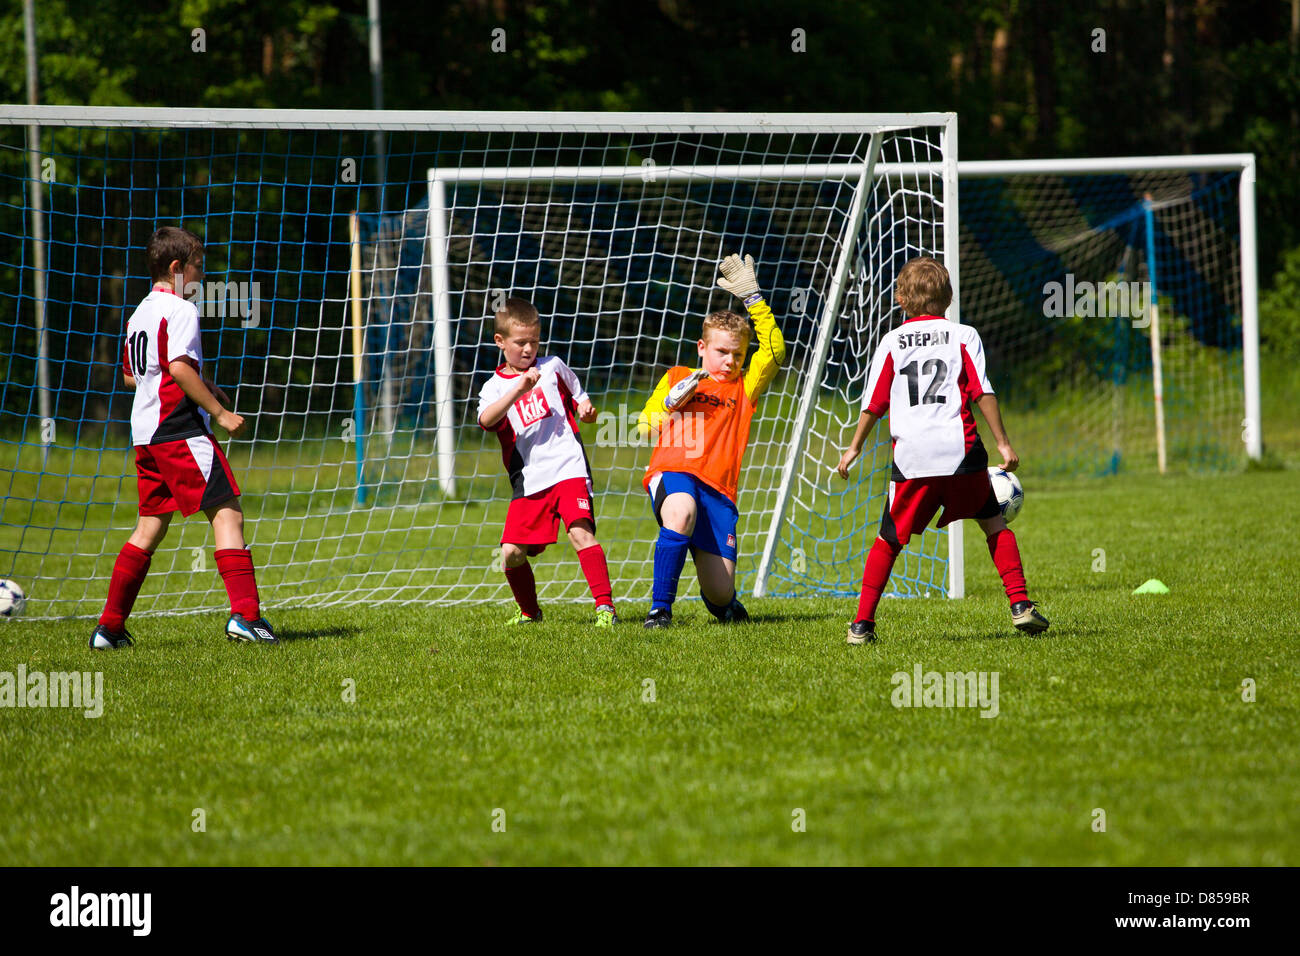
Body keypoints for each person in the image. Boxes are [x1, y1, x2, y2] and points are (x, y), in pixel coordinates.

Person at [837, 256, 1049, 644]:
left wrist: (853, 448)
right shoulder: (963, 335)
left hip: (912, 458)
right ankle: (1020, 605)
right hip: (961, 452)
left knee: (889, 539)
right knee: (992, 521)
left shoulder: (891, 342)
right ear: (948, 299)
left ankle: (862, 625)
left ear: (902, 300)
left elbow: (874, 402)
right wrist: (1002, 441)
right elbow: (981, 390)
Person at [92, 226, 276, 649]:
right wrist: (220, 412)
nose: (201, 277)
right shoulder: (181, 310)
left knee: (149, 528)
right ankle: (246, 618)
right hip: (180, 430)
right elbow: (177, 368)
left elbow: (130, 375)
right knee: (228, 515)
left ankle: (110, 628)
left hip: (146, 435)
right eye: (198, 268)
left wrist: (204, 385)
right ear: (177, 268)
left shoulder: (141, 312)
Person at [638, 253, 785, 628]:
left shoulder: (744, 388)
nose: (729, 360)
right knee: (681, 509)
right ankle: (660, 610)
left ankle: (723, 605)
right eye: (721, 351)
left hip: (719, 489)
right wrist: (670, 405)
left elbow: (775, 352)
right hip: (675, 472)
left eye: (737, 354)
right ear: (702, 348)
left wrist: (753, 299)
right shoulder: (678, 377)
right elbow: (644, 427)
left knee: (720, 593)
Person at [476, 297, 617, 626]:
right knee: (511, 553)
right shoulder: (494, 387)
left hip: (568, 467)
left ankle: (605, 608)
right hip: (530, 479)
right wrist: (519, 388)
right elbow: (486, 421)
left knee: (580, 532)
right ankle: (529, 611)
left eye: (534, 341)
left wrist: (588, 410)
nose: (528, 349)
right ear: (500, 342)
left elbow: (582, 399)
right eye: (520, 342)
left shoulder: (553, 366)